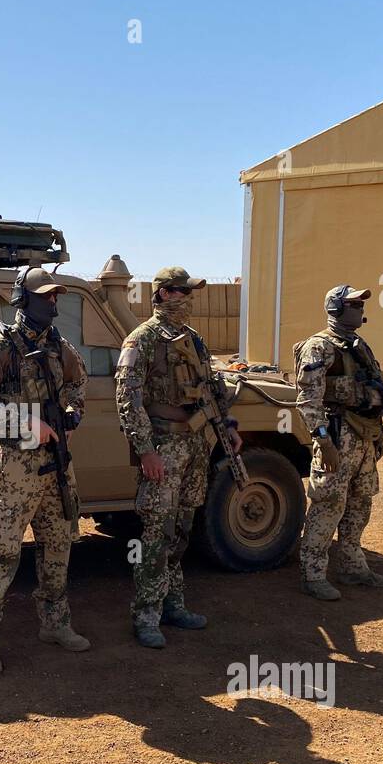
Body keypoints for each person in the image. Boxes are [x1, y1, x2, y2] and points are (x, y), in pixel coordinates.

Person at [0, 267, 89, 674]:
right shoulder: (0, 348)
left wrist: (71, 413)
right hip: (16, 468)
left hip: (56, 465)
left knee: (59, 546)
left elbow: (78, 384)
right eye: (44, 297)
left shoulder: (59, 345)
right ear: (23, 299)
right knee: (0, 552)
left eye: (55, 297)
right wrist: (26, 423)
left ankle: (55, 624)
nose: (52, 303)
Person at [116, 267, 242, 647]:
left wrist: (229, 427)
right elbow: (127, 400)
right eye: (180, 292)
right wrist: (146, 451)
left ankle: (174, 604)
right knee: (157, 533)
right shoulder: (142, 340)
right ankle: (146, 615)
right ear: (162, 295)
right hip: (163, 446)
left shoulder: (194, 340)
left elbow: (212, 386)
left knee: (184, 527)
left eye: (190, 293)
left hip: (196, 445)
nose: (187, 299)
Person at [293, 285, 383, 601]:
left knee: (361, 501)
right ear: (335, 308)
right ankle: (313, 573)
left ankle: (352, 566)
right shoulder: (318, 347)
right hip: (337, 435)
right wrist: (323, 441)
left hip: (364, 436)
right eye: (353, 303)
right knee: (328, 505)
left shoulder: (359, 345)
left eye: (361, 304)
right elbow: (308, 399)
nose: (359, 308)